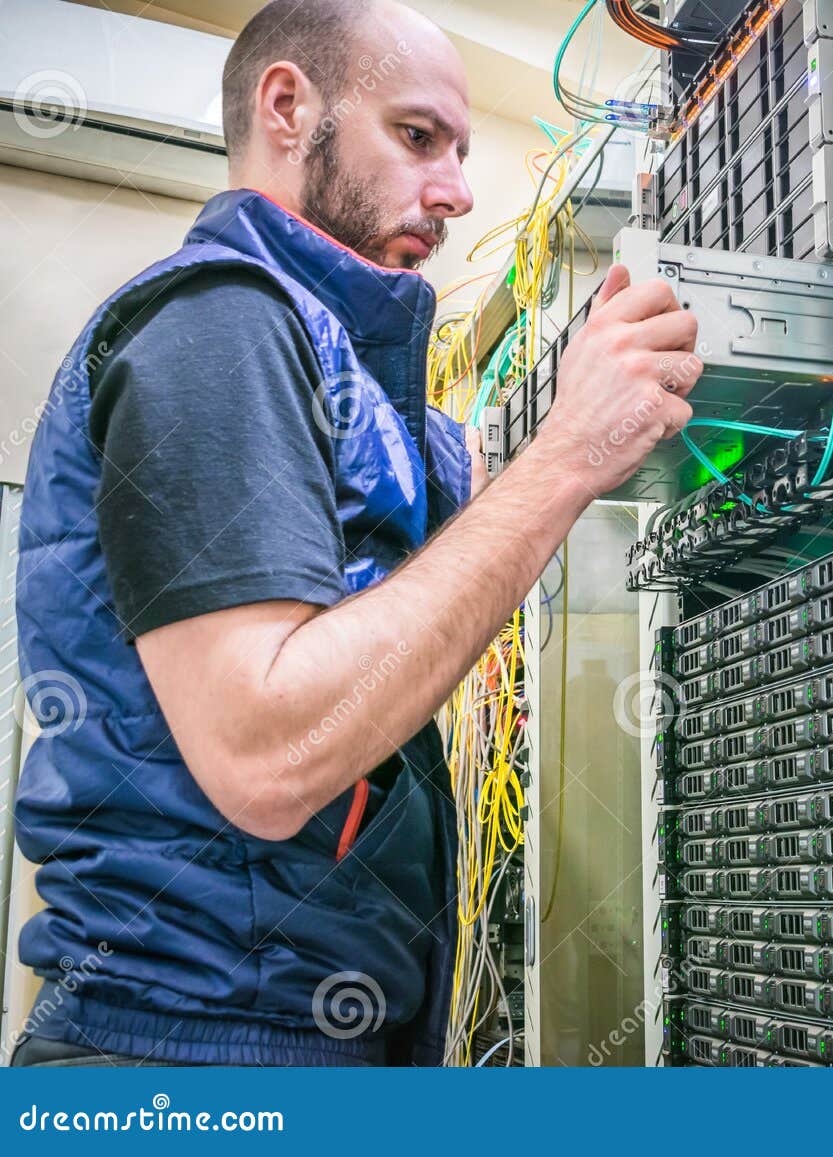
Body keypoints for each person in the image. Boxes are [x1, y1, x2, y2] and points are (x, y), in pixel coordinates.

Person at [9, 0, 701, 1066]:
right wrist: (566, 454)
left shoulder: (341, 369)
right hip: (192, 1050)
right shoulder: (221, 325)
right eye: (418, 137)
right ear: (288, 108)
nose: (459, 191)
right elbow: (266, 751)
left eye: (463, 153)